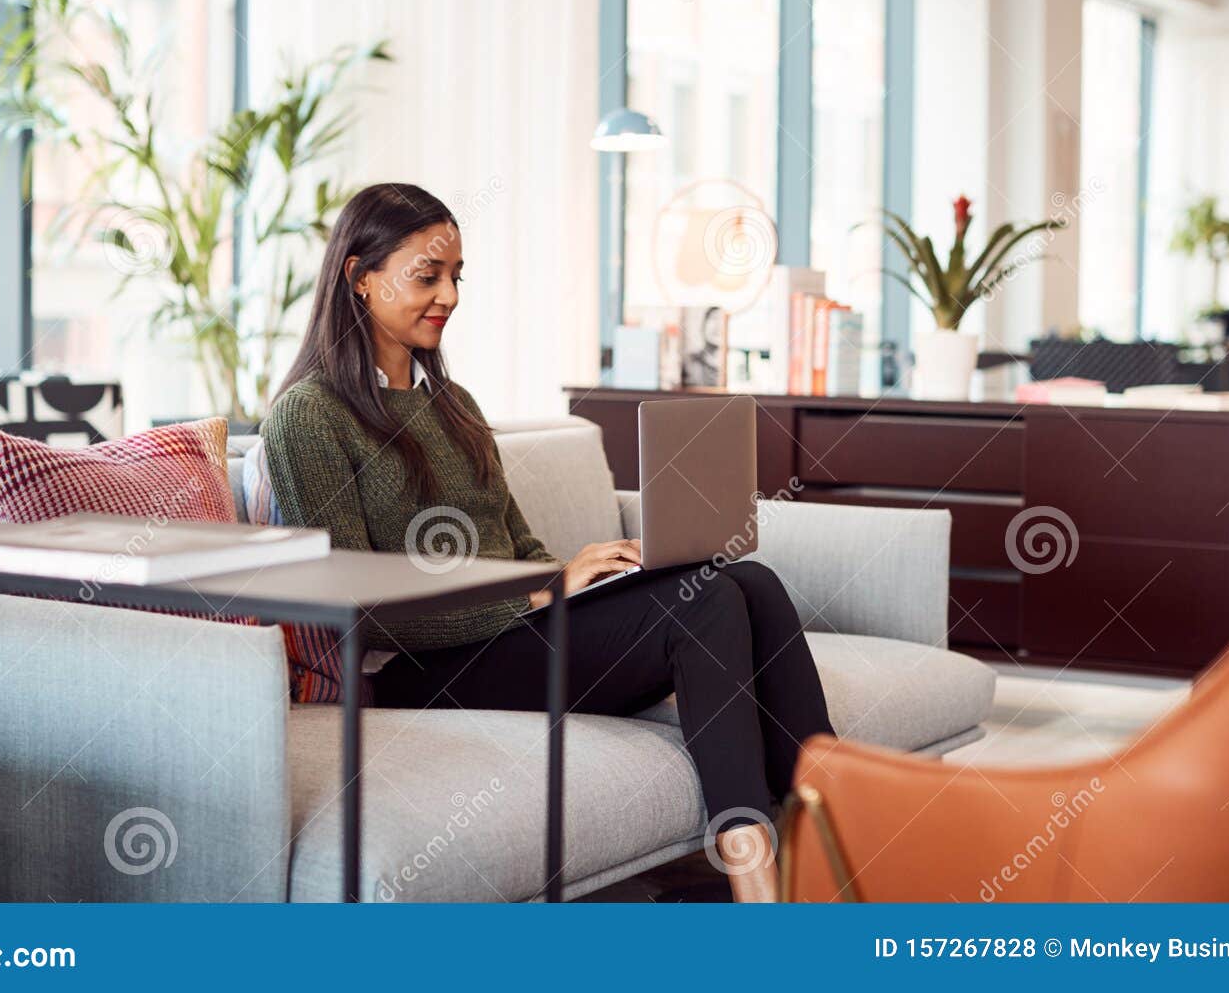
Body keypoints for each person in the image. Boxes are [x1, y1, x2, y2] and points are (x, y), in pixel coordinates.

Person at [261, 182, 833, 902]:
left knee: (750, 581)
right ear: (359, 277)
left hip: (510, 633)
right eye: (426, 275)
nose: (449, 296)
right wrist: (538, 589)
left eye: (456, 276)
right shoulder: (308, 416)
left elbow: (517, 540)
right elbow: (359, 605)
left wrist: (588, 569)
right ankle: (760, 891)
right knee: (706, 603)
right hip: (421, 669)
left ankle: (843, 835)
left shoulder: (455, 405)